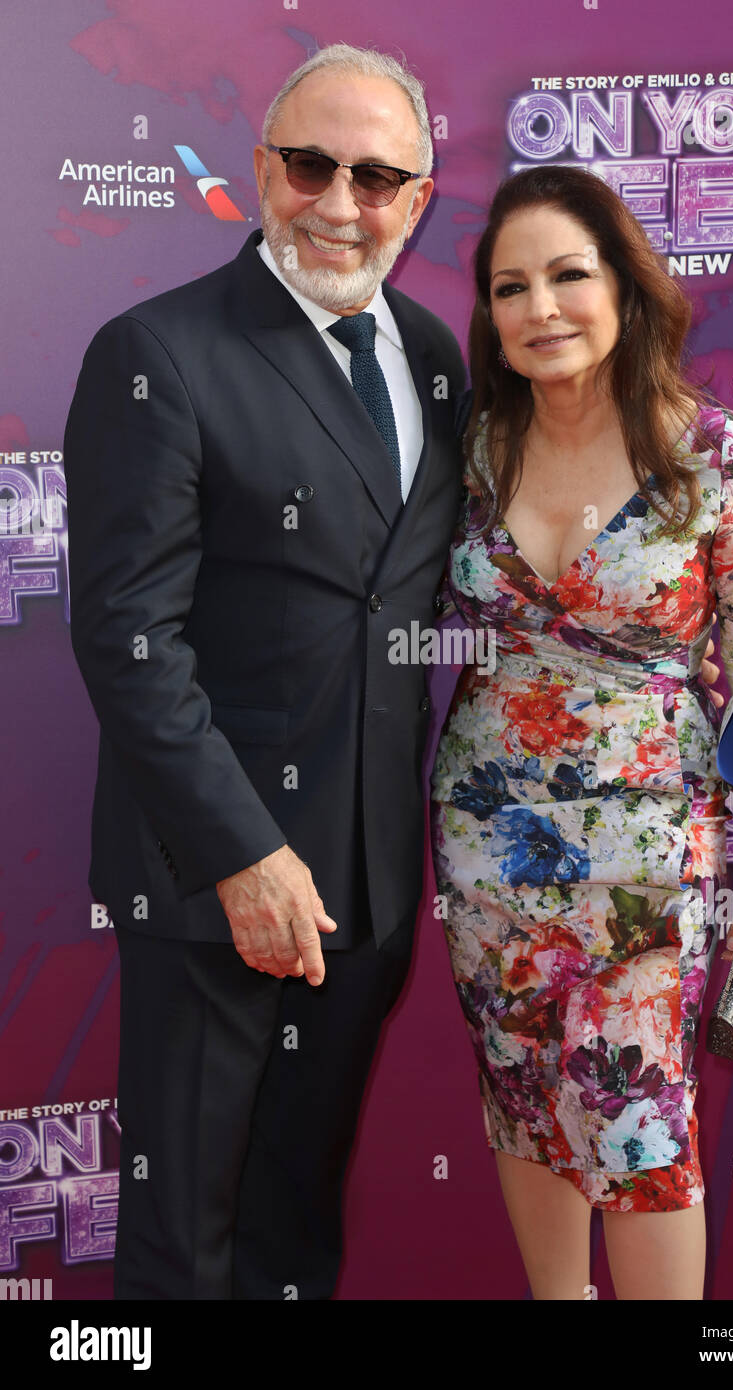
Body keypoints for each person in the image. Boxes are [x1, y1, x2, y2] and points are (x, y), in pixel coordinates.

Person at [64, 43, 466, 1300]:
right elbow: (129, 637)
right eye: (308, 165)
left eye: (374, 175)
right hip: (211, 886)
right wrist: (243, 855)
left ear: (417, 198)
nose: (337, 203)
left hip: (369, 885)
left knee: (295, 1228)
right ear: (259, 172)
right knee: (183, 1244)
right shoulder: (157, 352)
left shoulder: (436, 356)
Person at [429, 166, 733, 1301]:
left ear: (623, 286)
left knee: (638, 1124)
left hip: (647, 853)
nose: (540, 308)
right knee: (523, 1100)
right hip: (486, 848)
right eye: (510, 286)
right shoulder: (470, 449)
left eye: (568, 274)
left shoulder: (711, 455)